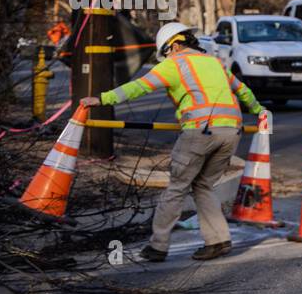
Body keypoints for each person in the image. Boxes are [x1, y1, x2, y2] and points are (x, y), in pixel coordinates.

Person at [81, 21, 267, 263]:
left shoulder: (174, 64)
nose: (165, 56)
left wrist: (101, 99)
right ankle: (218, 240)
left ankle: (158, 246)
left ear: (175, 44)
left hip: (200, 131)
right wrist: (260, 111)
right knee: (203, 186)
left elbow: (137, 88)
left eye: (166, 51)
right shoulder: (214, 63)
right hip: (232, 131)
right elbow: (244, 92)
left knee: (177, 187)